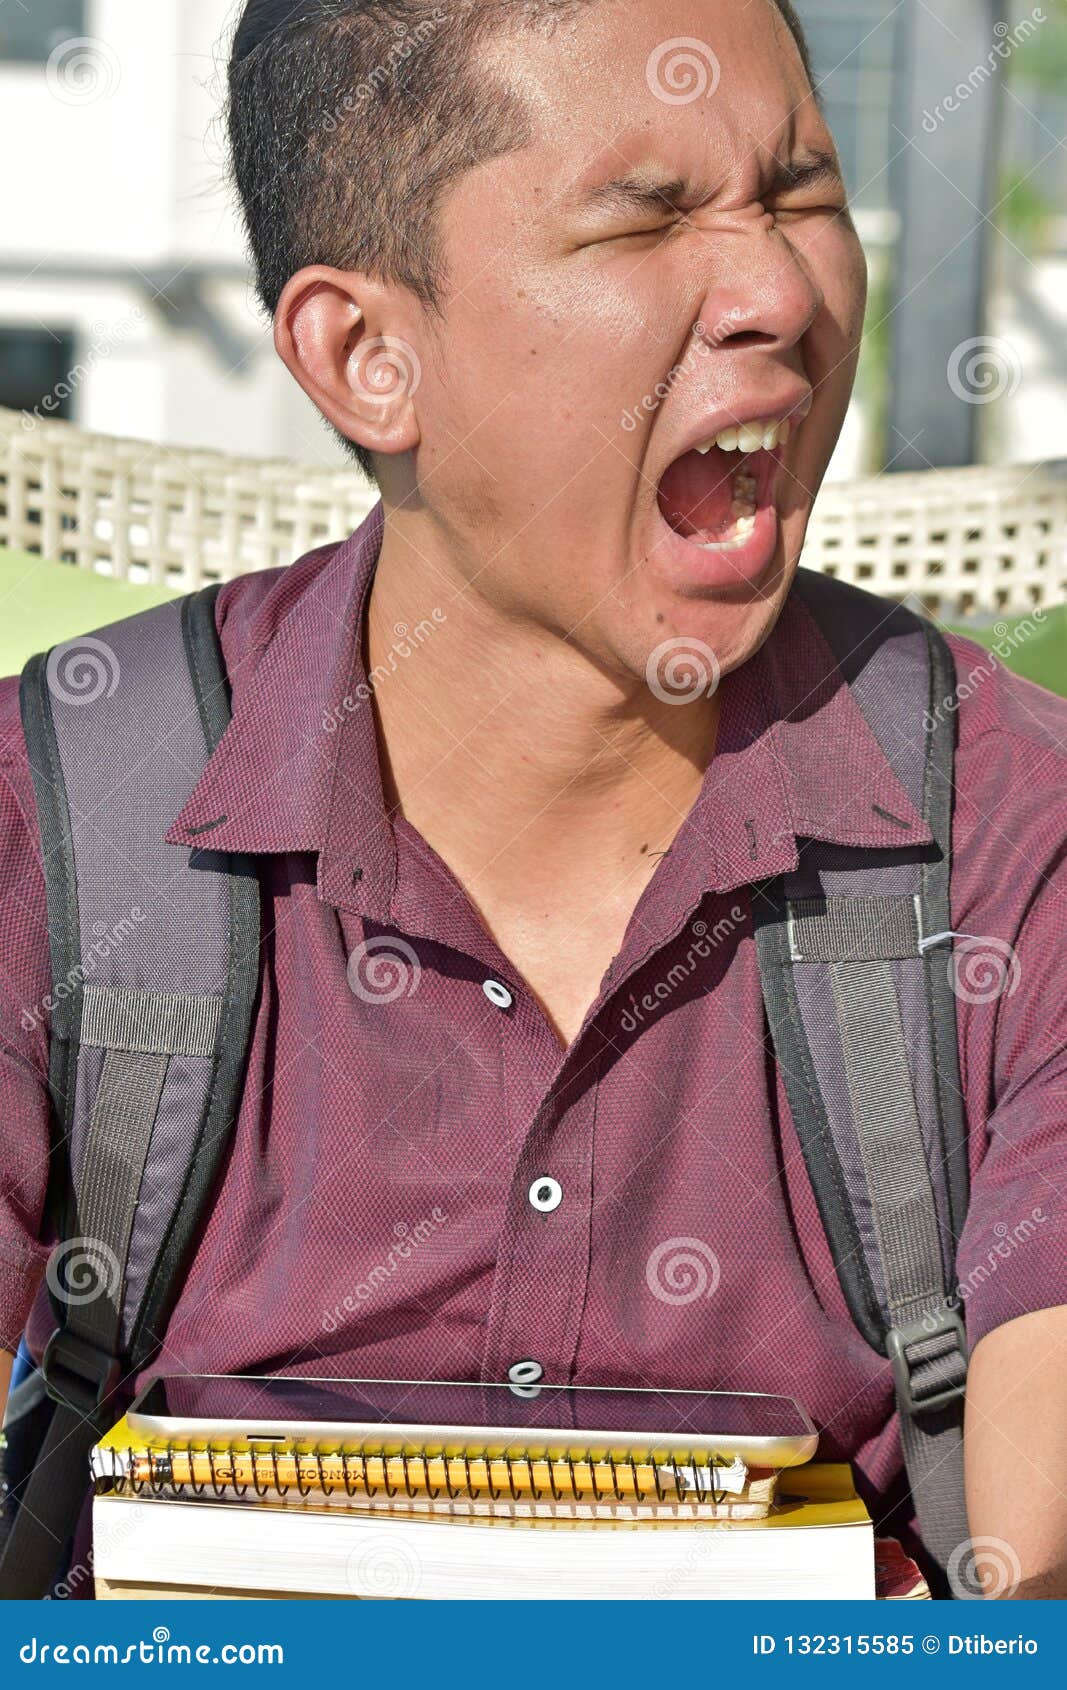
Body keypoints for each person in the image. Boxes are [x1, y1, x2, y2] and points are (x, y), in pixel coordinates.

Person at [2, 0, 1065, 1597]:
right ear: (366, 358)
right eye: (644, 221)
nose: (781, 293)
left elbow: (1036, 1585)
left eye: (801, 195)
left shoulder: (1017, 836)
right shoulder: (58, 815)